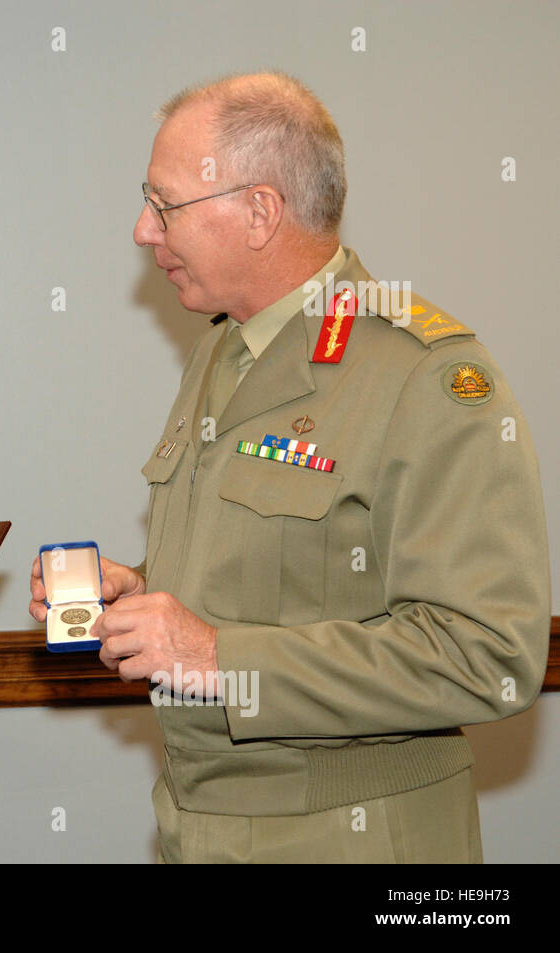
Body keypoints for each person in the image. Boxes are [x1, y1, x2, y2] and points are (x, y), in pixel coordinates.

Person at [30, 72, 549, 863]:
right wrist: (145, 593)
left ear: (261, 211)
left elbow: (490, 654)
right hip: (198, 826)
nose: (142, 230)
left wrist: (215, 656)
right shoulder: (221, 350)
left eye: (164, 205)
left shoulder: (425, 374)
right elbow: (282, 579)